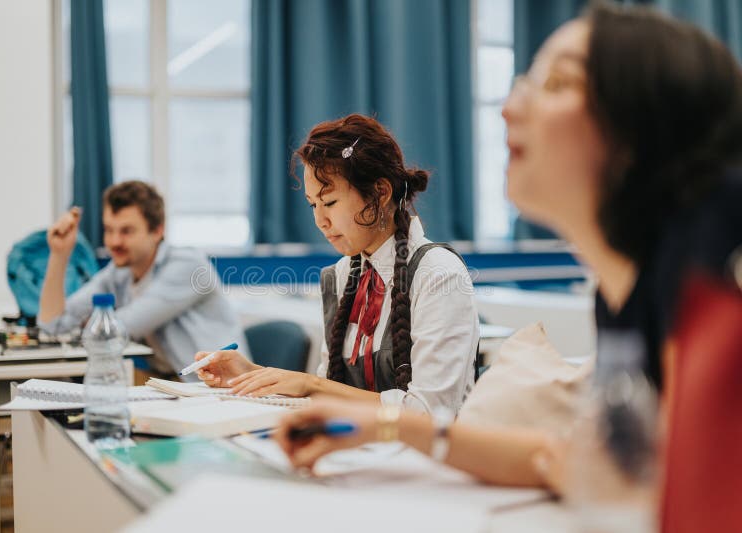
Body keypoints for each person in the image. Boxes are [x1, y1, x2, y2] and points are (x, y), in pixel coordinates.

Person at [273, 1, 742, 493]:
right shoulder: (625, 292)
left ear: (648, 131)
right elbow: (558, 459)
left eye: (558, 84)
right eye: (525, 84)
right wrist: (381, 425)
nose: (509, 107)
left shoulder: (717, 265)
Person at [195, 114, 479, 414]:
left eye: (329, 202)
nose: (320, 221)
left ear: (380, 193)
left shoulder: (439, 274)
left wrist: (311, 385)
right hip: (356, 451)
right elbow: (331, 395)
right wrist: (250, 375)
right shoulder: (342, 274)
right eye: (313, 205)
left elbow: (430, 414)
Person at [38, 180, 249, 379]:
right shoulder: (119, 272)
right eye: (109, 230)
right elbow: (53, 325)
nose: (114, 241)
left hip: (213, 388)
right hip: (168, 382)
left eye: (126, 231)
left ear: (157, 231)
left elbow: (122, 329)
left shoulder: (188, 266)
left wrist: (91, 323)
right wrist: (59, 254)